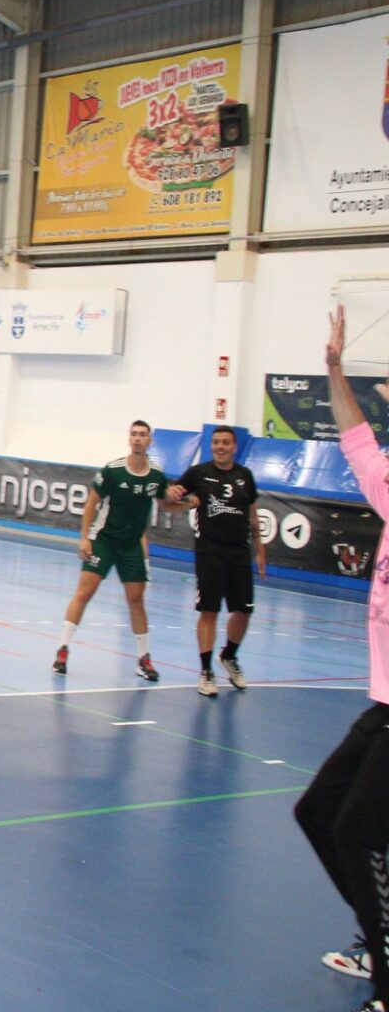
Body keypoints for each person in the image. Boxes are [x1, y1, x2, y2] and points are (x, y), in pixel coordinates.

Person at [294, 306, 389, 1012]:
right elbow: (358, 438)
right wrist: (333, 366)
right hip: (382, 706)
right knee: (318, 812)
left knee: (357, 828)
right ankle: (376, 930)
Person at [53, 420, 181, 681]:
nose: (137, 439)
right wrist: (85, 539)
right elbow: (91, 504)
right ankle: (62, 650)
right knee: (84, 593)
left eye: (142, 435)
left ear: (149, 441)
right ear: (128, 439)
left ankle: (144, 659)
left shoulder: (156, 474)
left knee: (136, 600)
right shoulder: (112, 471)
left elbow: (166, 504)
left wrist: (186, 502)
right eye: (133, 434)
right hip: (104, 540)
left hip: (131, 545)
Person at [174, 425, 265, 697]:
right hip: (210, 551)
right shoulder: (198, 473)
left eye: (225, 442)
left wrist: (260, 550)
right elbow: (173, 497)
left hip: (239, 551)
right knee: (209, 611)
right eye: (215, 442)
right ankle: (205, 671)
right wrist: (181, 500)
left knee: (244, 610)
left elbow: (252, 514)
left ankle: (229, 656)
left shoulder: (244, 476)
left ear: (234, 447)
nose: (220, 447)